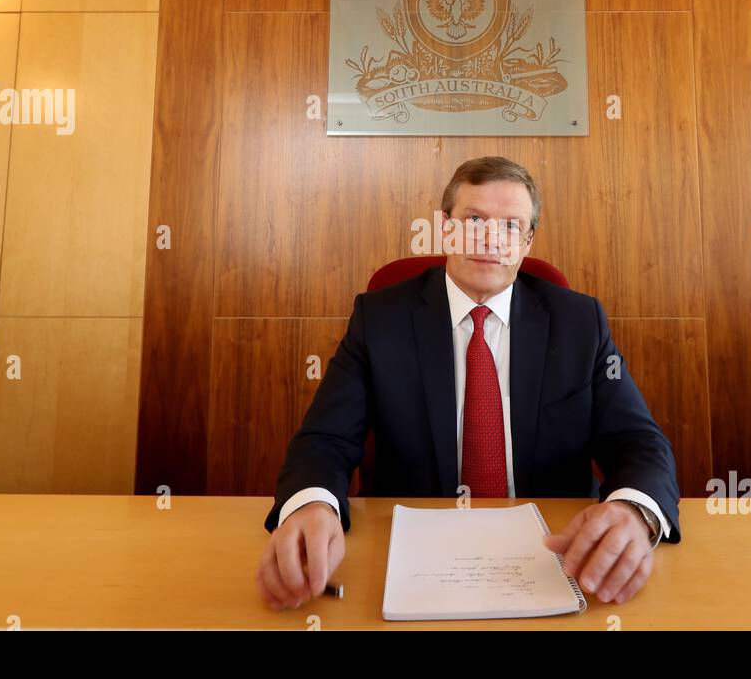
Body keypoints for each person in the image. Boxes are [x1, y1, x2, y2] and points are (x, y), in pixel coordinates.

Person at [256, 156, 680, 610]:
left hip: (554, 553)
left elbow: (637, 440)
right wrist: (312, 505)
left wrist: (636, 511)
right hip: (412, 554)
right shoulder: (380, 320)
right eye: (474, 219)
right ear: (444, 228)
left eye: (511, 226)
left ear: (527, 241)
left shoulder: (579, 322)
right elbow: (324, 440)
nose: (491, 239)